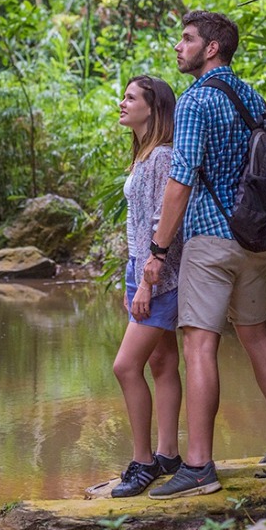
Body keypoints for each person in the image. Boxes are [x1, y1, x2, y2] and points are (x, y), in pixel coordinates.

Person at [141, 11, 266, 499]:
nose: (179, 46)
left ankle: (198, 467)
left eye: (187, 39)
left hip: (211, 241)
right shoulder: (252, 97)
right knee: (256, 336)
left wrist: (157, 251)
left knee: (198, 347)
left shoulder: (196, 100)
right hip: (254, 239)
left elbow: (180, 180)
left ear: (211, 48)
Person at [108, 75, 185, 497]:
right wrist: (132, 274)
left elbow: (162, 223)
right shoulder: (144, 155)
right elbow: (136, 222)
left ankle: (143, 463)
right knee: (162, 362)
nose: (122, 103)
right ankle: (168, 454)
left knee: (125, 366)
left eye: (130, 97)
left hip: (159, 276)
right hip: (141, 269)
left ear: (153, 108)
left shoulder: (162, 157)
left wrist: (147, 282)